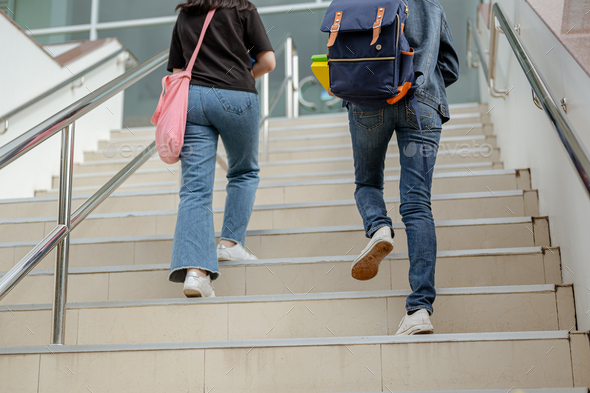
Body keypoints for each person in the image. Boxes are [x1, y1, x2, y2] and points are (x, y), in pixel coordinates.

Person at [332, 0, 459, 334]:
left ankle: (378, 228)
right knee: (417, 204)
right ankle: (419, 310)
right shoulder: (431, 5)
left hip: (367, 102)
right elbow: (451, 67)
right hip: (422, 103)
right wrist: (422, 79)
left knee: (368, 183)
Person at [166, 0, 275, 298]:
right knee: (243, 171)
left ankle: (195, 272)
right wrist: (238, 76)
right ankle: (229, 244)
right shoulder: (243, 9)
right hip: (236, 96)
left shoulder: (185, 15)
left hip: (192, 102)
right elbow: (268, 62)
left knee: (194, 190)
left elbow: (178, 69)